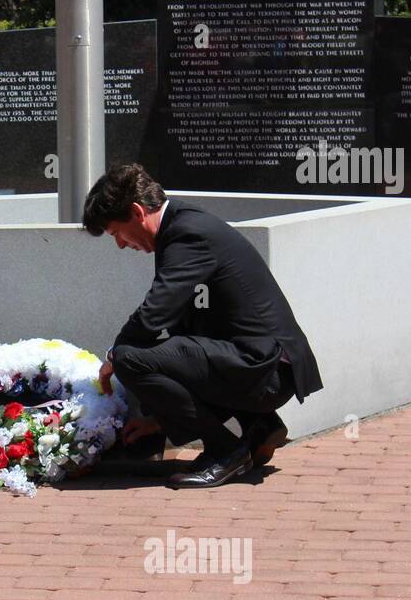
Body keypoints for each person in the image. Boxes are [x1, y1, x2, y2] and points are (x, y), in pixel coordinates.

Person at [84, 163, 323, 489]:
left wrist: (114, 357)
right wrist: (161, 419)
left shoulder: (187, 234)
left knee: (129, 357)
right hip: (264, 362)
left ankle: (226, 451)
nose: (121, 245)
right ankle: (260, 425)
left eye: (116, 233)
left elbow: (156, 313)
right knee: (164, 347)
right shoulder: (182, 225)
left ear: (137, 212)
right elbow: (178, 330)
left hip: (265, 369)